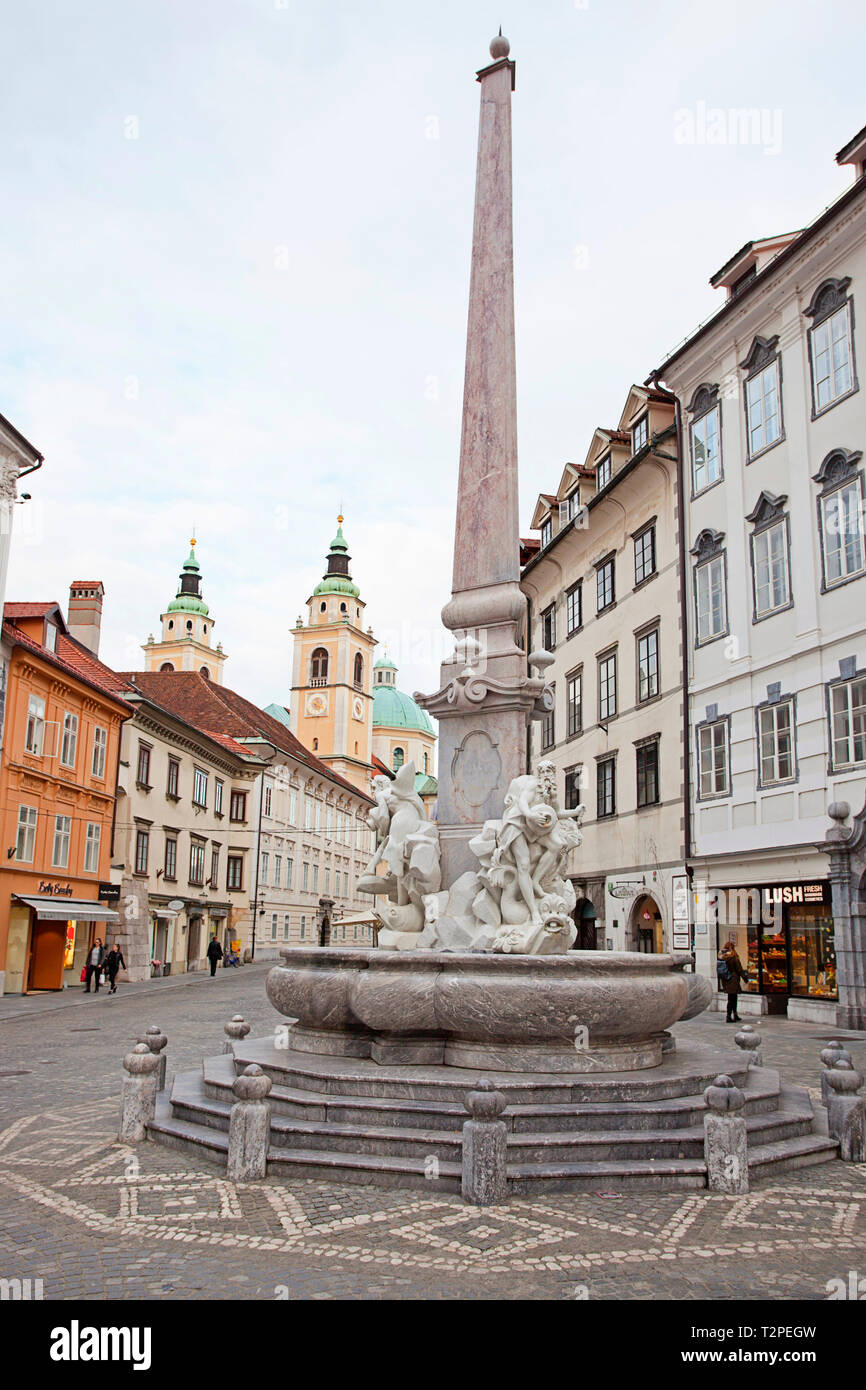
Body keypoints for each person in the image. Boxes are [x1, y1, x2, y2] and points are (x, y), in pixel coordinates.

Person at [717, 941, 748, 1022]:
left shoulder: (722, 957)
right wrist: (745, 978)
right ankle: (730, 1016)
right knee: (732, 998)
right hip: (733, 979)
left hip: (725, 979)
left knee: (731, 998)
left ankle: (733, 1014)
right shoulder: (733, 957)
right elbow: (739, 969)